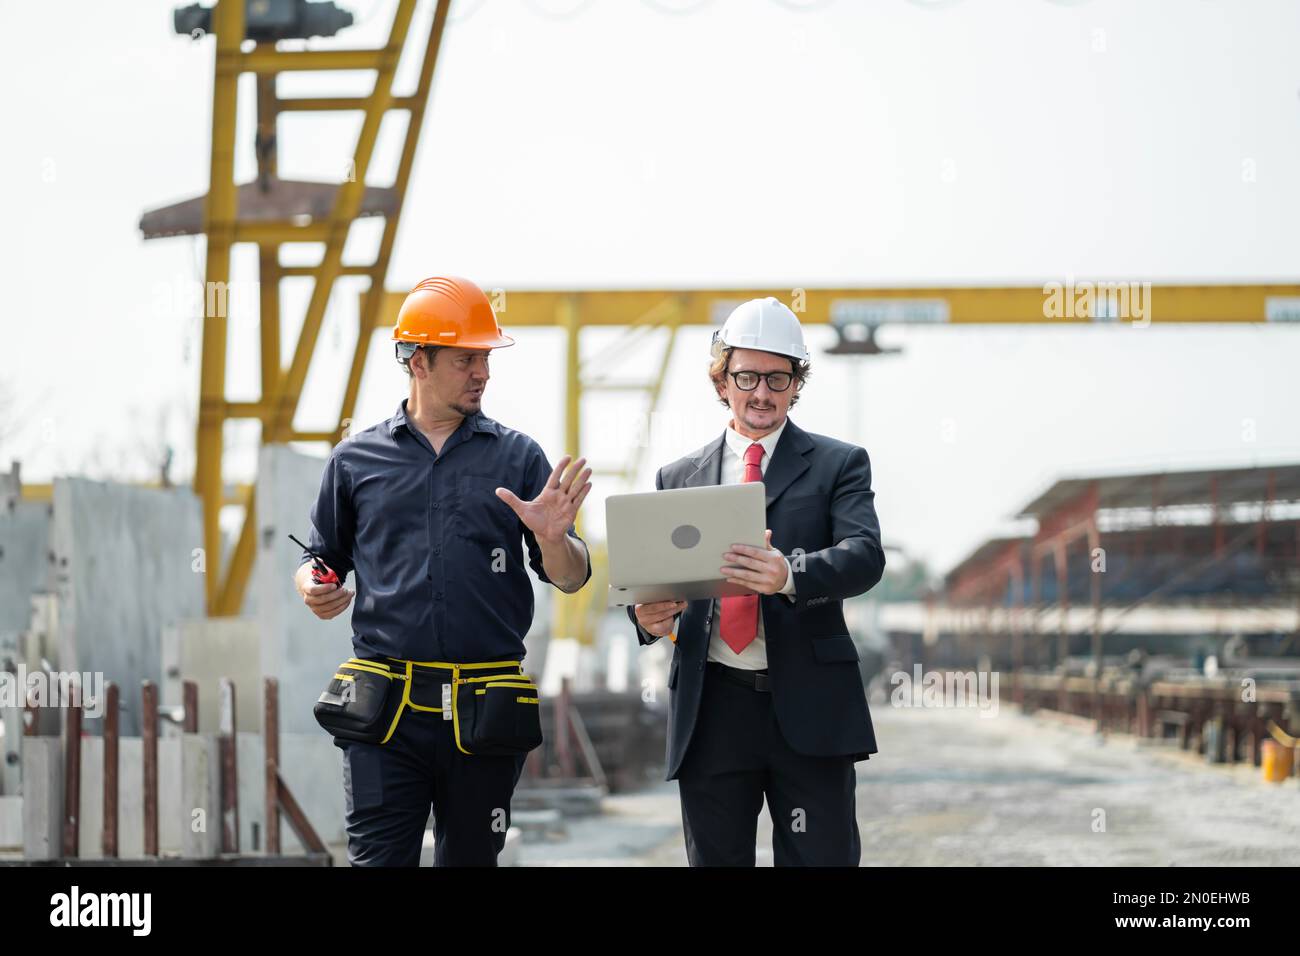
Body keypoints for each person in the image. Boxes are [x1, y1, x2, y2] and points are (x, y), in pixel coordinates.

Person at [296, 276, 592, 866]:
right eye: (466, 360)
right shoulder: (355, 460)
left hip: (485, 713)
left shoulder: (519, 457)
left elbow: (570, 575)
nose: (483, 373)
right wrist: (313, 586)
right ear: (419, 360)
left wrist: (554, 538)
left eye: (485, 358)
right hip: (384, 715)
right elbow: (319, 557)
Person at [628, 296, 885, 866]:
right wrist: (647, 618)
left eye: (777, 378)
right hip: (713, 709)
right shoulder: (679, 477)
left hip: (810, 710)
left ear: (797, 384)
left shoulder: (838, 464)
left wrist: (790, 575)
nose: (762, 393)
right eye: (747, 376)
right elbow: (652, 580)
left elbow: (865, 555)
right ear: (723, 380)